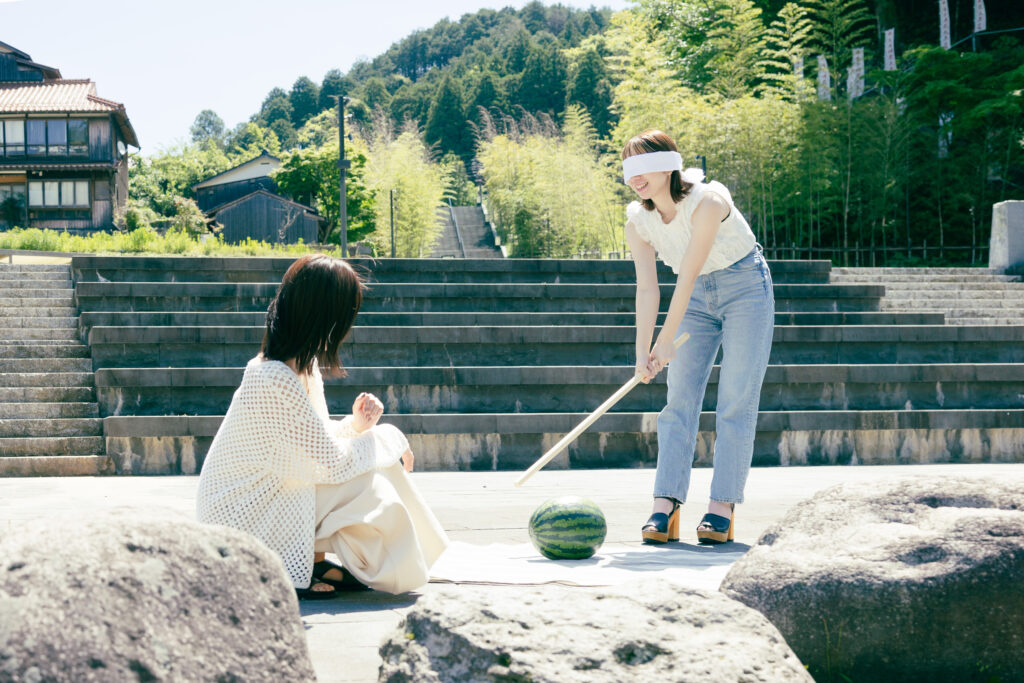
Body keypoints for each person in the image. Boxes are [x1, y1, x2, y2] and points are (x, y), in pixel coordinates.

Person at [196, 254, 448, 599]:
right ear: (323, 316)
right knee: (367, 481)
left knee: (373, 469)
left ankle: (382, 560)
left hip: (265, 497)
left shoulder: (302, 367)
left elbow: (313, 445)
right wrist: (390, 437)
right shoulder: (272, 377)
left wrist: (357, 426)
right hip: (240, 514)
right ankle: (365, 565)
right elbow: (329, 463)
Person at [622, 130, 774, 545]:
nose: (634, 177)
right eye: (628, 168)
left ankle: (721, 506)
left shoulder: (708, 201)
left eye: (643, 165)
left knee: (736, 399)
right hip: (693, 301)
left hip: (745, 287)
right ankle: (665, 504)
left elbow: (687, 273)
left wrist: (667, 340)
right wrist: (643, 353)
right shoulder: (638, 222)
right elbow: (647, 288)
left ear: (669, 165)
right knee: (679, 401)